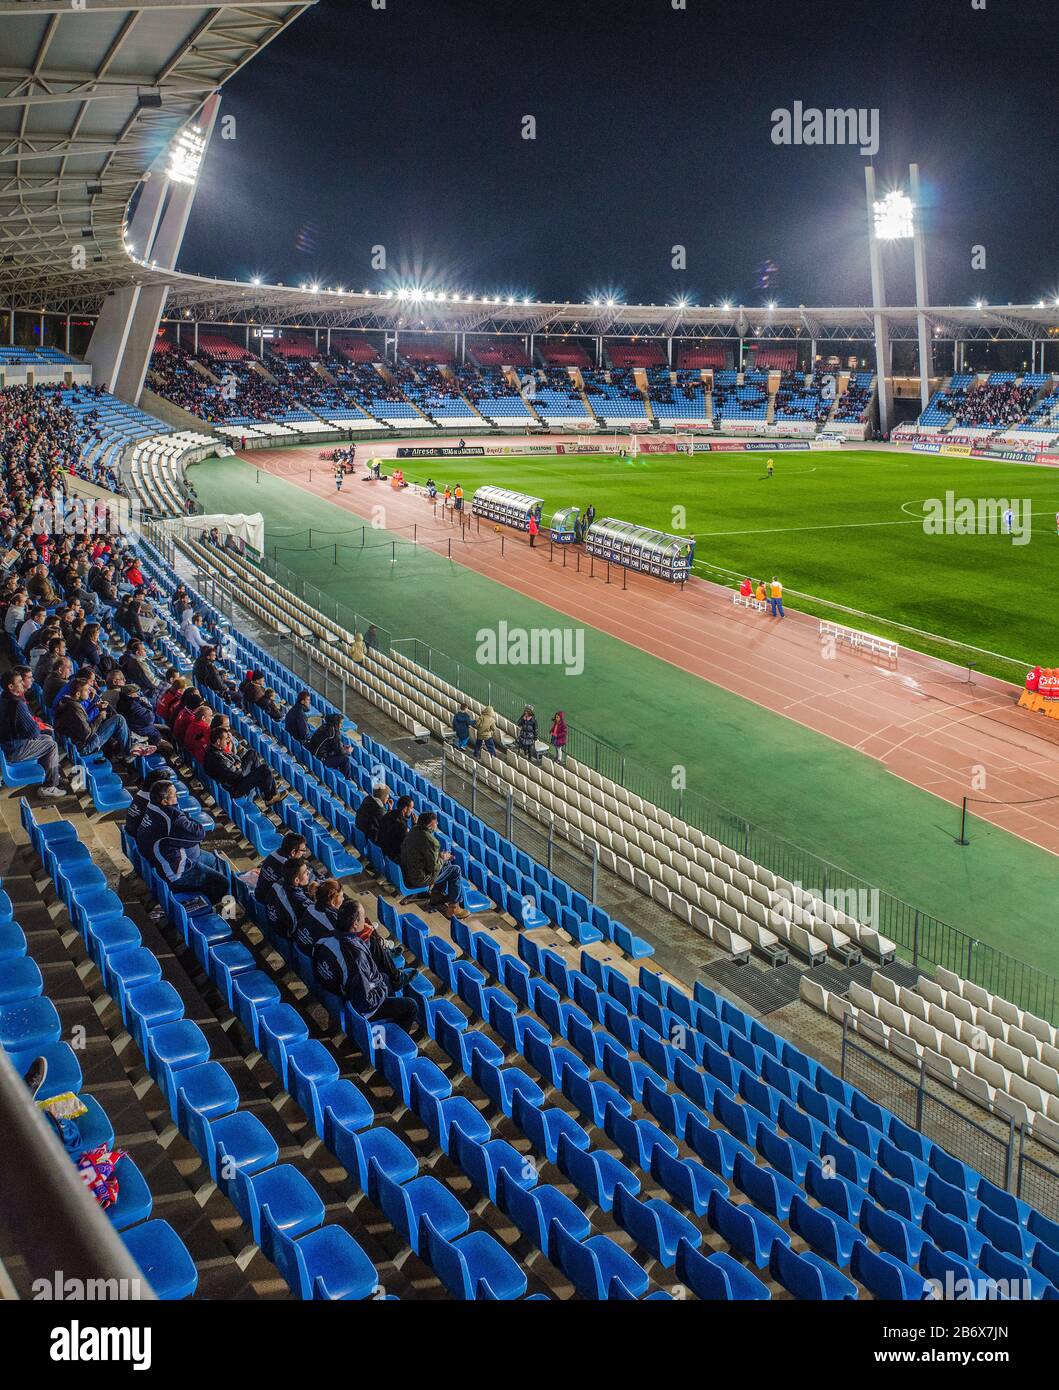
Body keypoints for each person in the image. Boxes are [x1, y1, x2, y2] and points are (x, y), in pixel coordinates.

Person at [312, 897, 419, 1033]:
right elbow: (367, 1003)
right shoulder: (356, 957)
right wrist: (382, 988)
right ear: (355, 924)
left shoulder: (325, 940)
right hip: (359, 1005)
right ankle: (391, 1041)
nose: (365, 920)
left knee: (385, 977)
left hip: (336, 990)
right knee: (411, 1006)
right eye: (363, 917)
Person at [136, 780, 229, 901]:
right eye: (174, 796)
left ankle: (210, 889)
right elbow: (199, 833)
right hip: (178, 873)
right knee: (223, 883)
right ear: (164, 801)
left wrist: (180, 814)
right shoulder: (170, 819)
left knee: (213, 860)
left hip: (170, 857)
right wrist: (183, 815)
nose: (177, 798)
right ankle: (210, 905)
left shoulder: (152, 806)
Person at [0, 667, 63, 795]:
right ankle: (48, 787)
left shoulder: (3, 697)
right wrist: (35, 723)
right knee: (51, 745)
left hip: (8, 744)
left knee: (47, 738)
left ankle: (49, 774)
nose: (23, 683)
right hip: (13, 750)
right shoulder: (17, 704)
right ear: (11, 686)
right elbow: (33, 733)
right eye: (19, 682)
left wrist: (33, 723)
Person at [400, 810, 465, 917]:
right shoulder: (431, 841)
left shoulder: (414, 830)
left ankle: (436, 894)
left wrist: (441, 858)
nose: (437, 824)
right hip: (419, 878)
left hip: (408, 870)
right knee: (455, 870)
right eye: (436, 822)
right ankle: (454, 908)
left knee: (446, 865)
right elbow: (434, 867)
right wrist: (443, 858)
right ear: (430, 825)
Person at [204, 727, 282, 804]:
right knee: (264, 769)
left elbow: (235, 757)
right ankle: (269, 798)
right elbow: (235, 774)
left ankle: (265, 786)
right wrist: (237, 765)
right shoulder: (217, 757)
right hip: (234, 786)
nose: (227, 741)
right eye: (225, 739)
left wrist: (237, 763)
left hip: (233, 778)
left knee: (252, 753)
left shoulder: (215, 749)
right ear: (218, 741)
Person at [266, 855, 315, 944]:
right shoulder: (299, 901)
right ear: (296, 880)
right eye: (305, 872)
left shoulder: (278, 883)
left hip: (271, 924)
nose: (308, 872)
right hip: (285, 936)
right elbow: (314, 910)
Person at [255, 831, 312, 904]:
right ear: (293, 852)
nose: (304, 853)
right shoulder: (288, 866)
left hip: (259, 893)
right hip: (268, 901)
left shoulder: (273, 854)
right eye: (303, 850)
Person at [292, 877, 343, 958]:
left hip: (296, 948)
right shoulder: (334, 925)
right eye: (341, 896)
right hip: (310, 959)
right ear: (333, 901)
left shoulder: (310, 907)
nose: (343, 899)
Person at [307, 712, 354, 778]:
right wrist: (347, 751)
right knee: (345, 759)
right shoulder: (333, 732)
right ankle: (347, 779)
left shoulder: (325, 726)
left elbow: (332, 744)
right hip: (320, 759)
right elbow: (340, 751)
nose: (341, 725)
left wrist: (343, 746)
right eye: (340, 723)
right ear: (336, 723)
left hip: (313, 753)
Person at [378, 794, 415, 862]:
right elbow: (409, 844)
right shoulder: (401, 825)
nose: (412, 811)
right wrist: (414, 825)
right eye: (411, 808)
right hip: (394, 856)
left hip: (384, 851)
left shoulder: (388, 814)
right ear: (405, 808)